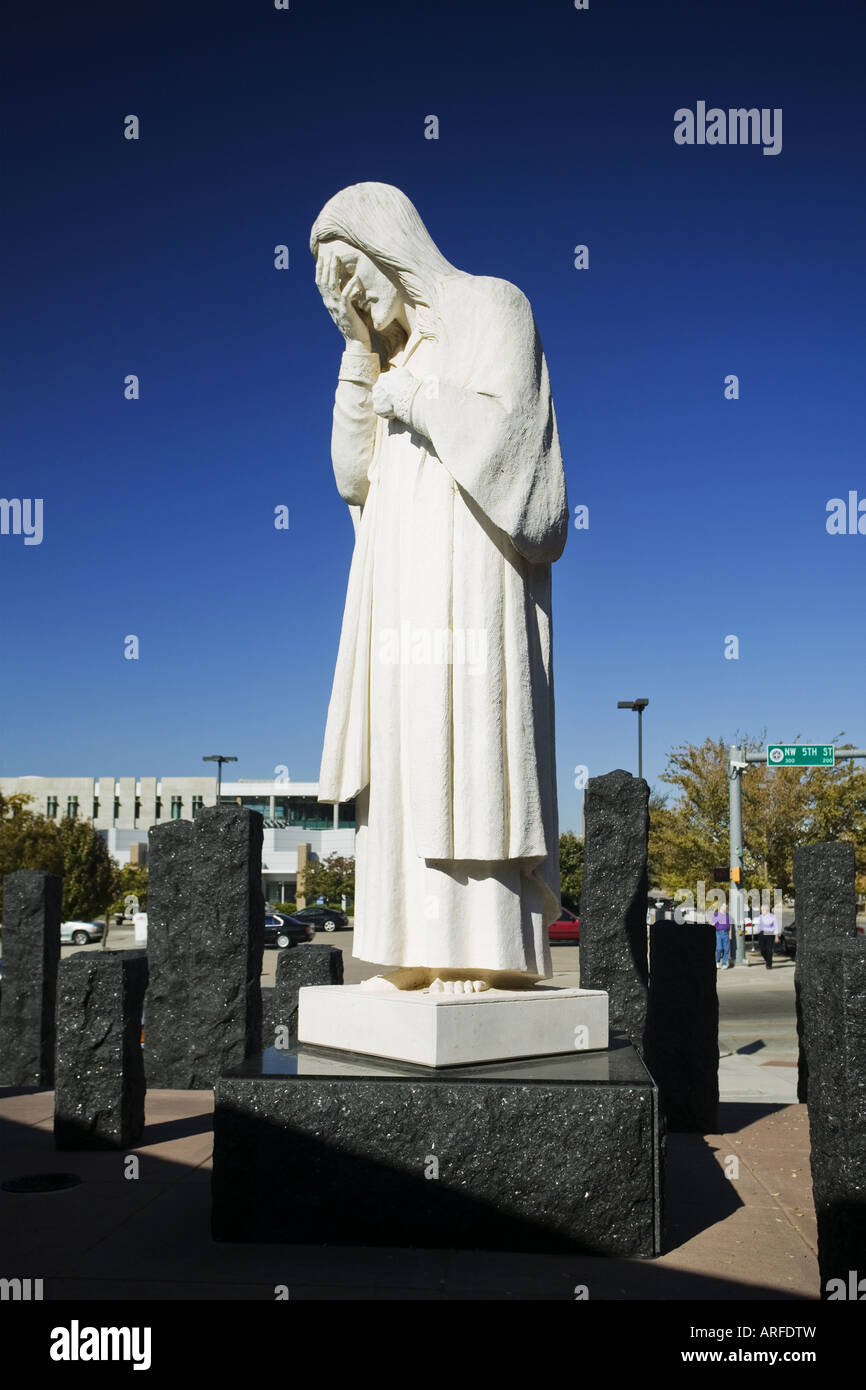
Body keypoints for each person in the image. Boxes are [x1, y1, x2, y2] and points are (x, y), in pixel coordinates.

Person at [311, 183, 568, 992]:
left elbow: (519, 447)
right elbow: (352, 476)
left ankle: (486, 954)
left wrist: (418, 399)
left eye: (351, 272)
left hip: (470, 574)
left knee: (468, 741)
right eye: (333, 288)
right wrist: (359, 352)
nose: (350, 294)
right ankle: (414, 950)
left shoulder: (493, 305)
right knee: (406, 750)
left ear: (388, 245)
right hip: (397, 581)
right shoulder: (387, 360)